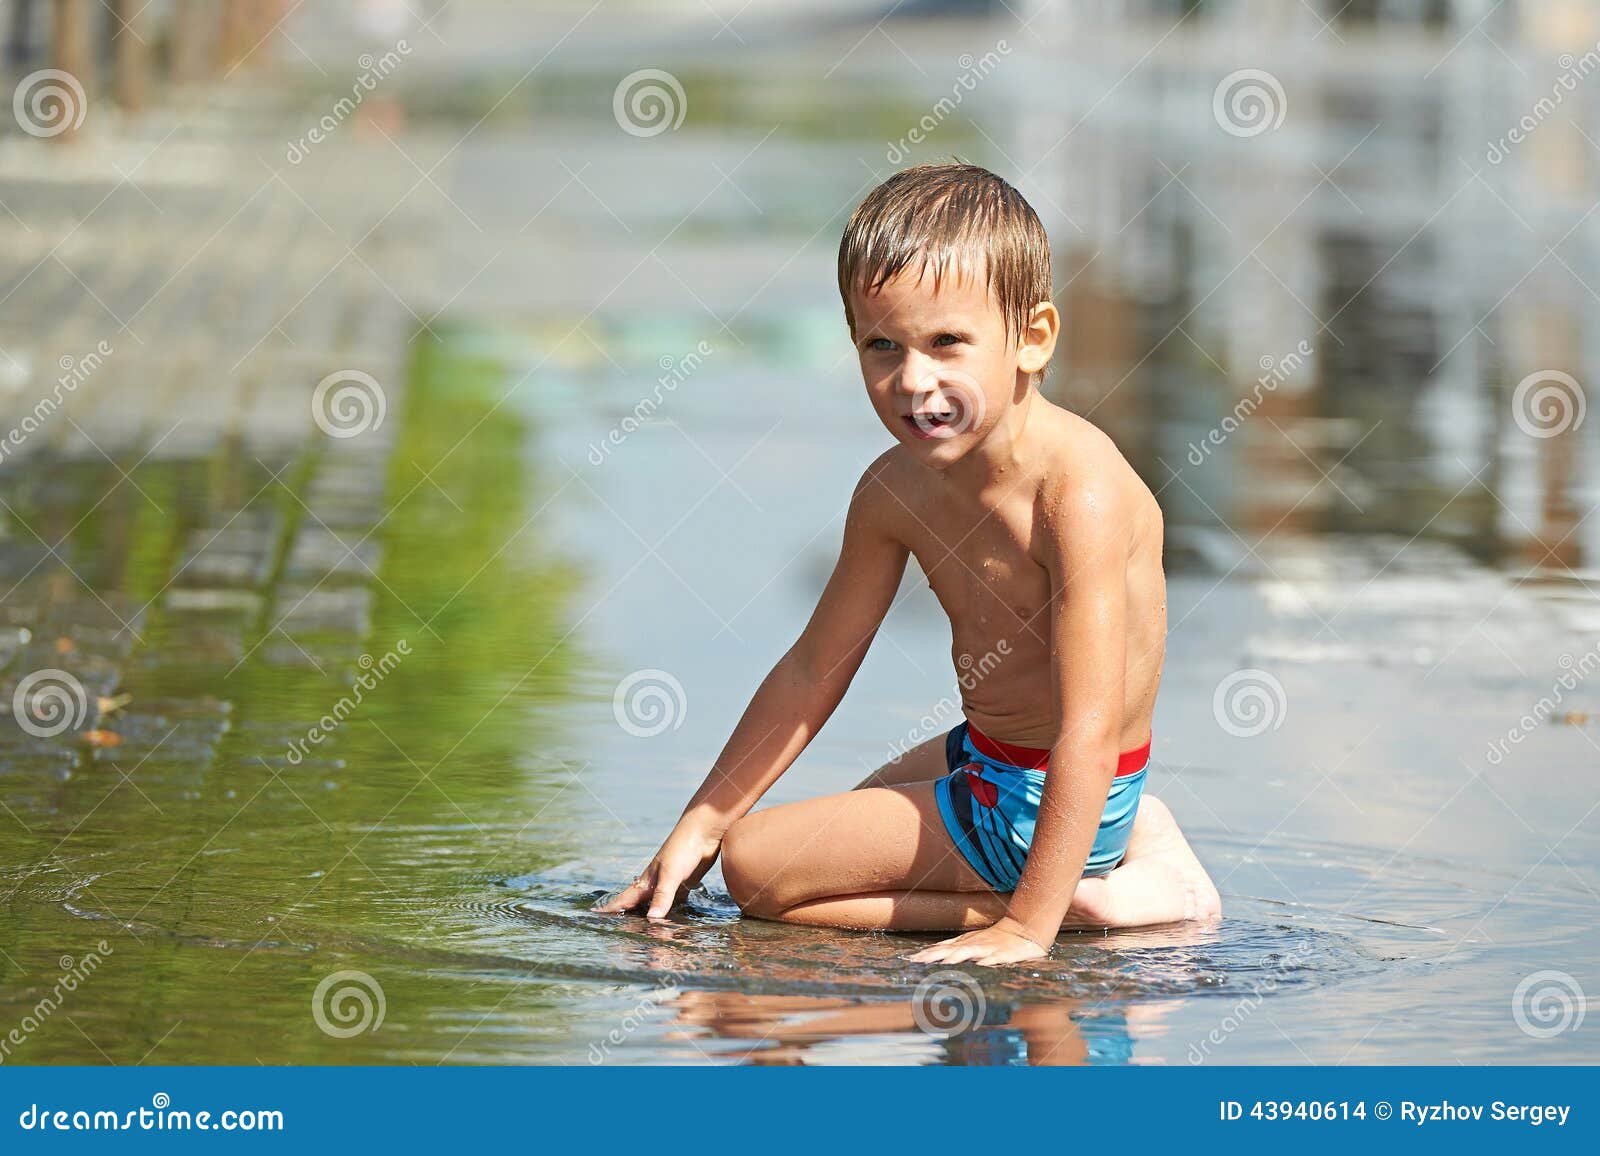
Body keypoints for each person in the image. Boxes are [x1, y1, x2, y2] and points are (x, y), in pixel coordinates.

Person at [596, 163, 1220, 965]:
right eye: (881, 346)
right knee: (856, 815)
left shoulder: (1079, 493)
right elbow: (813, 668)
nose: (913, 380)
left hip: (1056, 788)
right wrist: (701, 819)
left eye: (947, 343)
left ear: (1032, 339)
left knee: (758, 870)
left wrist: (1025, 930)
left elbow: (1089, 731)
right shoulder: (894, 490)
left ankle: (1092, 901)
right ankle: (1076, 872)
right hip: (993, 755)